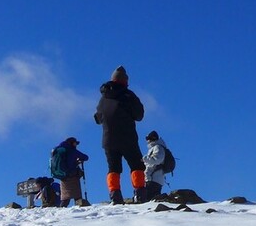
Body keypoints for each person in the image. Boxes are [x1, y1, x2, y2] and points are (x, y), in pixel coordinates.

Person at [93, 65, 147, 204]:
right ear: (124, 80)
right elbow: (139, 115)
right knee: (137, 165)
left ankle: (115, 196)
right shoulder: (128, 95)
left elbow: (97, 118)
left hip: (108, 140)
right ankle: (140, 194)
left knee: (113, 168)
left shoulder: (103, 98)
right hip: (128, 138)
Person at [53, 136, 90, 206]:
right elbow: (85, 157)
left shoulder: (58, 151)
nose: (76, 145)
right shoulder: (71, 150)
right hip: (72, 175)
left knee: (65, 197)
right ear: (72, 143)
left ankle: (62, 209)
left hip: (62, 176)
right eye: (75, 143)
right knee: (77, 194)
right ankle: (80, 208)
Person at [142, 130, 170, 203]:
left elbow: (157, 159)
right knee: (151, 200)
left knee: (150, 200)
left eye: (148, 138)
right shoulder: (155, 147)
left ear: (152, 138)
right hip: (154, 178)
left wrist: (145, 159)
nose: (147, 141)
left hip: (154, 178)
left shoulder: (158, 147)